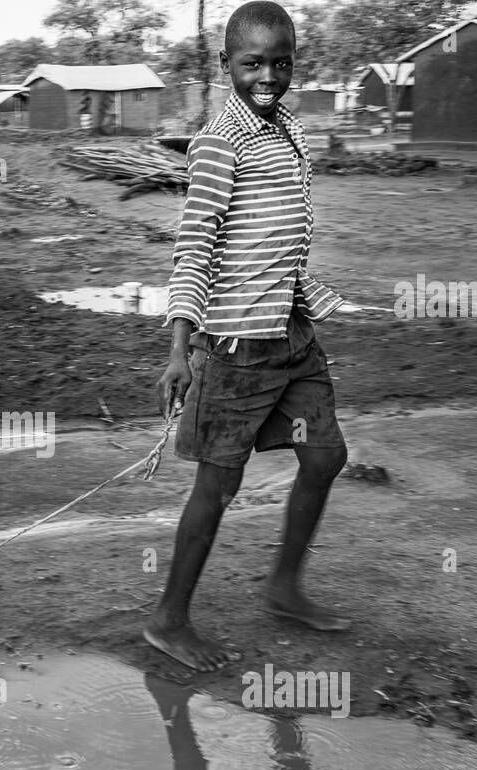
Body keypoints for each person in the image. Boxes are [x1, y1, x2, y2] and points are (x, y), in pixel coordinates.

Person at [145, 1, 350, 671]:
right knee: (218, 486)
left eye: (281, 63)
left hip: (291, 332)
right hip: (234, 345)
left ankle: (285, 586)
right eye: (252, 63)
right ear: (226, 64)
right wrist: (180, 348)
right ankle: (170, 620)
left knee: (324, 456)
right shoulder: (219, 143)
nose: (268, 76)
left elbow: (277, 237)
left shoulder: (288, 128)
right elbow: (194, 246)